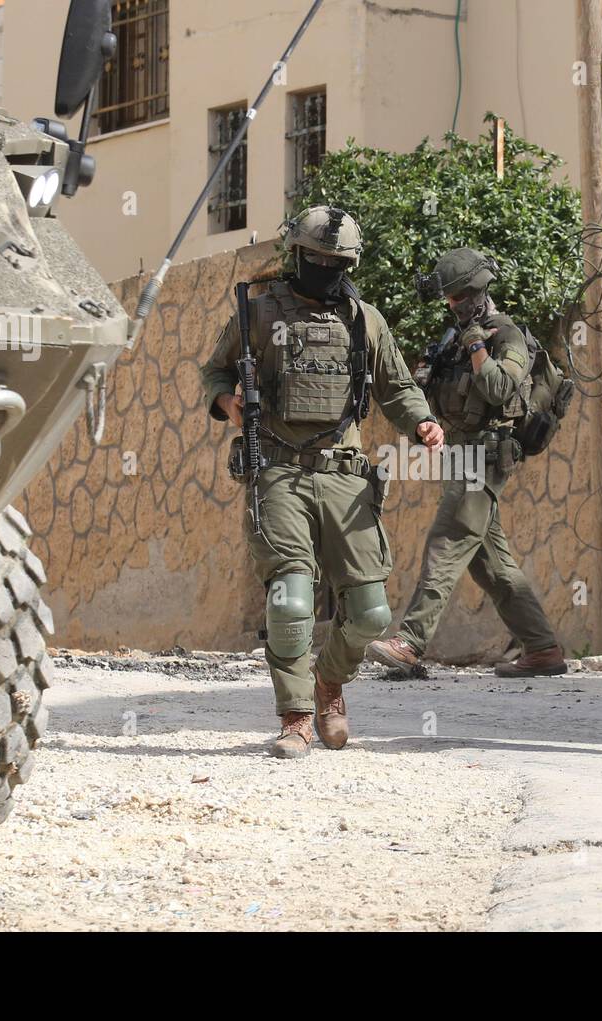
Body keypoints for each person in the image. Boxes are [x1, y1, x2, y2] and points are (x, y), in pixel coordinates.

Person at [200, 206, 444, 758]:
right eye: (319, 259)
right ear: (298, 256)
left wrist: (422, 420)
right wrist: (226, 401)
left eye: (339, 262)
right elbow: (215, 370)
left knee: (371, 614)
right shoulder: (258, 313)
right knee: (290, 600)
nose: (328, 269)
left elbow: (396, 386)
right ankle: (295, 717)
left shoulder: (365, 320)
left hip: (345, 475)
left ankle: (329, 684)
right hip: (279, 470)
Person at [368, 248, 566, 678]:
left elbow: (497, 389)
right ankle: (543, 649)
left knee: (448, 536)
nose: (452, 305)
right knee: (492, 565)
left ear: (477, 292)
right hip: (459, 456)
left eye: (458, 297)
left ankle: (411, 641)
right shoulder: (451, 340)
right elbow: (434, 404)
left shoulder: (507, 335)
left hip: (488, 456)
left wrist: (477, 345)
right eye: (448, 299)